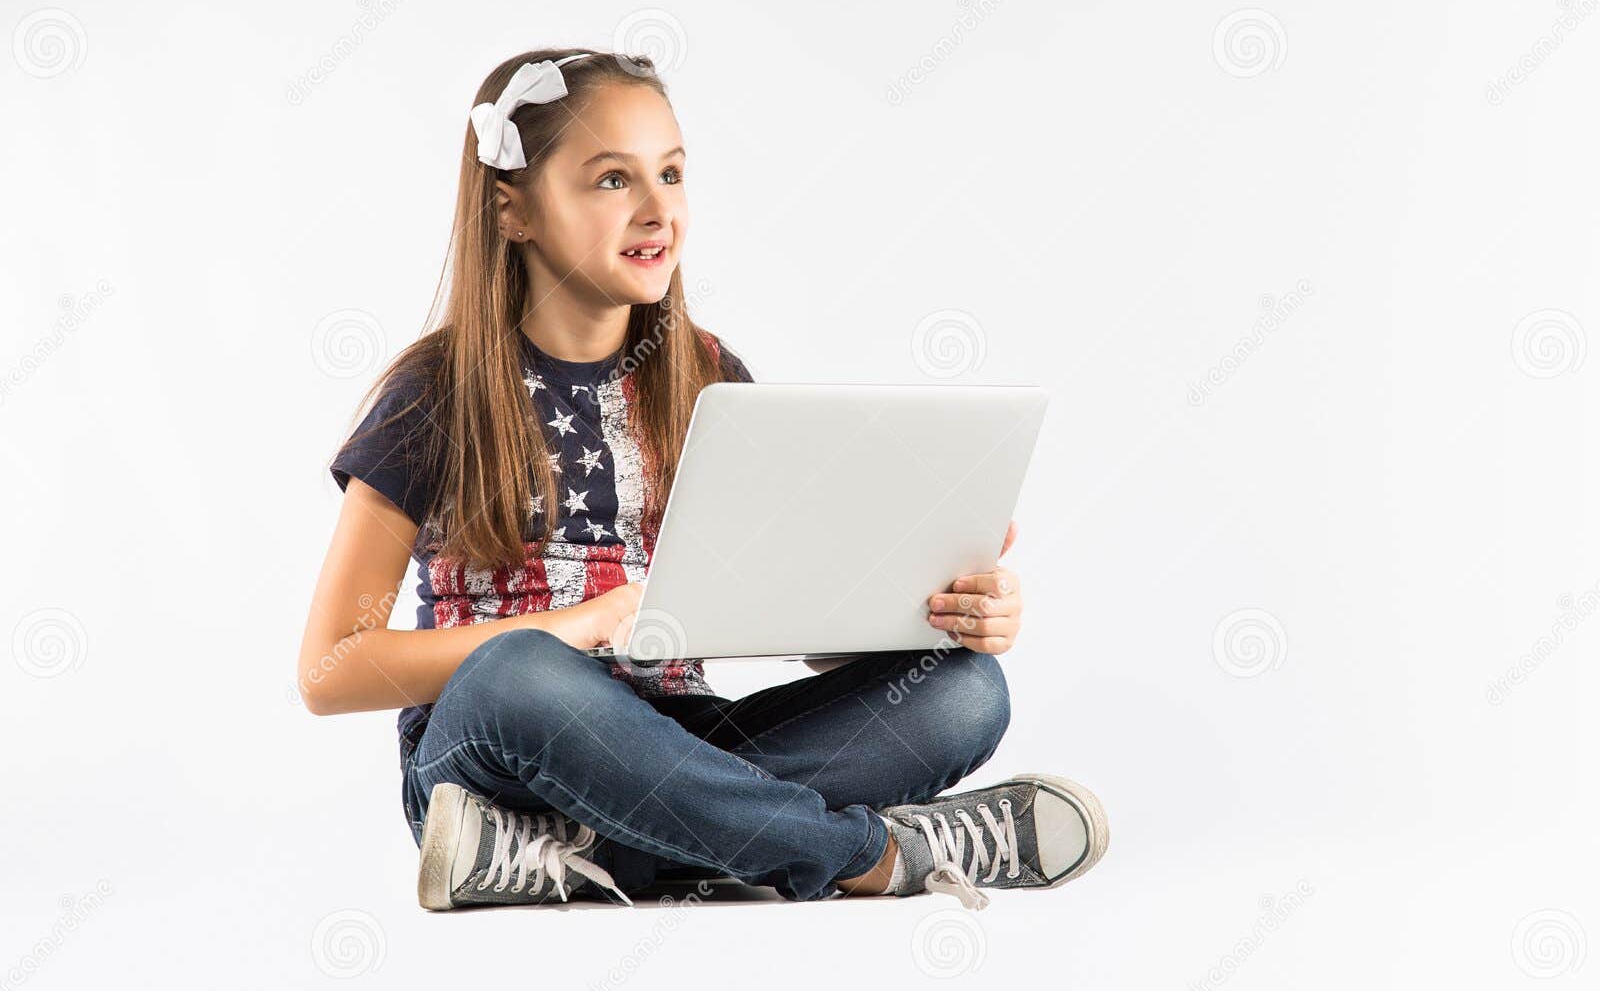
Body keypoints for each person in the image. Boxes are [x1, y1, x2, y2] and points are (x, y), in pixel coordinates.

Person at [296, 47, 1109, 911]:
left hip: (678, 743)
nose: (658, 211)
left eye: (672, 173)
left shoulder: (706, 375)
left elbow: (792, 618)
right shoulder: (434, 390)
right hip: (495, 743)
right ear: (514, 210)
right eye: (612, 180)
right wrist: (578, 625)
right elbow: (331, 669)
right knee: (518, 671)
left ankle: (569, 856)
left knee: (962, 692)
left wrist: (930, 601)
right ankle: (880, 852)